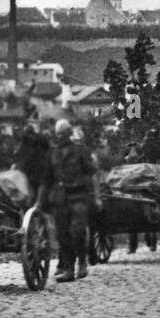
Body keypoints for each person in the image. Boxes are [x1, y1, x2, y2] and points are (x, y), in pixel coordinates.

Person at [36, 119, 101, 282]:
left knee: (78, 231)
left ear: (69, 133)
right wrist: (39, 202)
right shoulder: (52, 154)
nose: (60, 136)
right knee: (62, 235)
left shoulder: (81, 150)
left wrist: (97, 197)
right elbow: (45, 181)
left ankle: (82, 262)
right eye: (58, 134)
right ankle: (69, 269)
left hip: (78, 197)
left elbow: (93, 174)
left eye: (63, 133)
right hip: (59, 200)